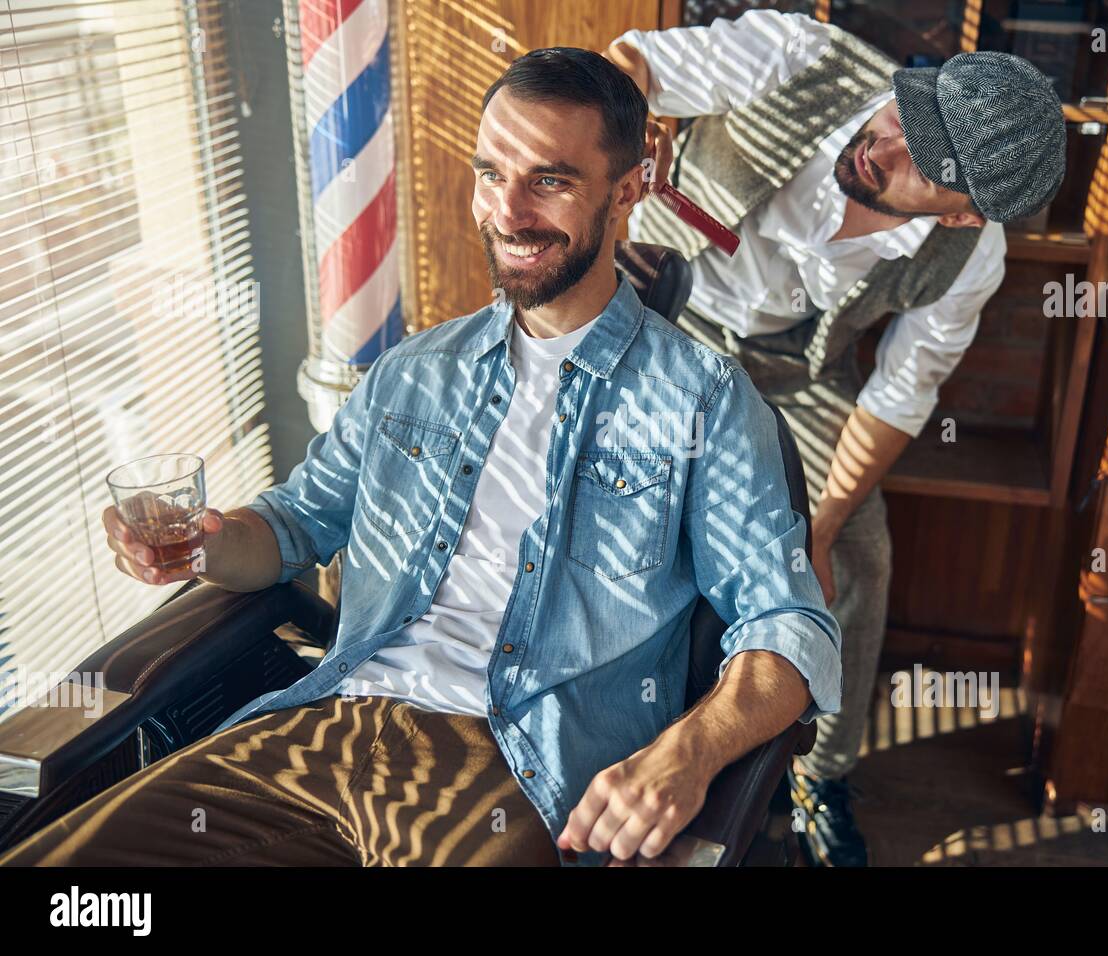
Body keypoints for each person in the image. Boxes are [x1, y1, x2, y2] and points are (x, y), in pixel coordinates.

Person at [0, 47, 840, 868]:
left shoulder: (703, 401)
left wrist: (686, 754)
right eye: (491, 174)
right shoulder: (412, 372)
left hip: (513, 769)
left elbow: (787, 622)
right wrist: (200, 545)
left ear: (625, 191)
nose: (508, 212)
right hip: (317, 730)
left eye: (549, 181)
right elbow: (290, 528)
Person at [605, 9, 1067, 866]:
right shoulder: (802, 58)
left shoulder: (971, 258)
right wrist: (619, 155)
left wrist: (817, 529)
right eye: (906, 114)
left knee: (855, 554)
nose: (883, 147)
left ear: (963, 216)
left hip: (795, 368)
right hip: (653, 315)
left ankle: (820, 774)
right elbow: (626, 64)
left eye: (926, 164)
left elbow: (900, 392)